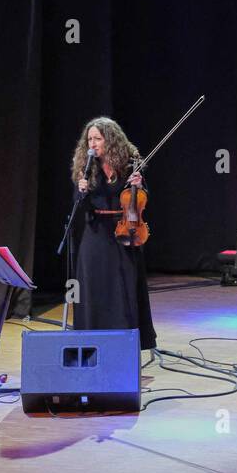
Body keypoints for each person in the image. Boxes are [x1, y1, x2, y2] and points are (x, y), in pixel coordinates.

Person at [70, 117, 156, 350]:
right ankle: (91, 345)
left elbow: (141, 199)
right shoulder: (86, 168)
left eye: (98, 138)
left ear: (111, 140)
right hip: (95, 232)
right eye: (90, 139)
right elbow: (79, 206)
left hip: (124, 230)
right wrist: (81, 192)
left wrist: (138, 184)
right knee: (93, 289)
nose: (93, 144)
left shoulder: (129, 165)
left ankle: (123, 348)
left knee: (123, 289)